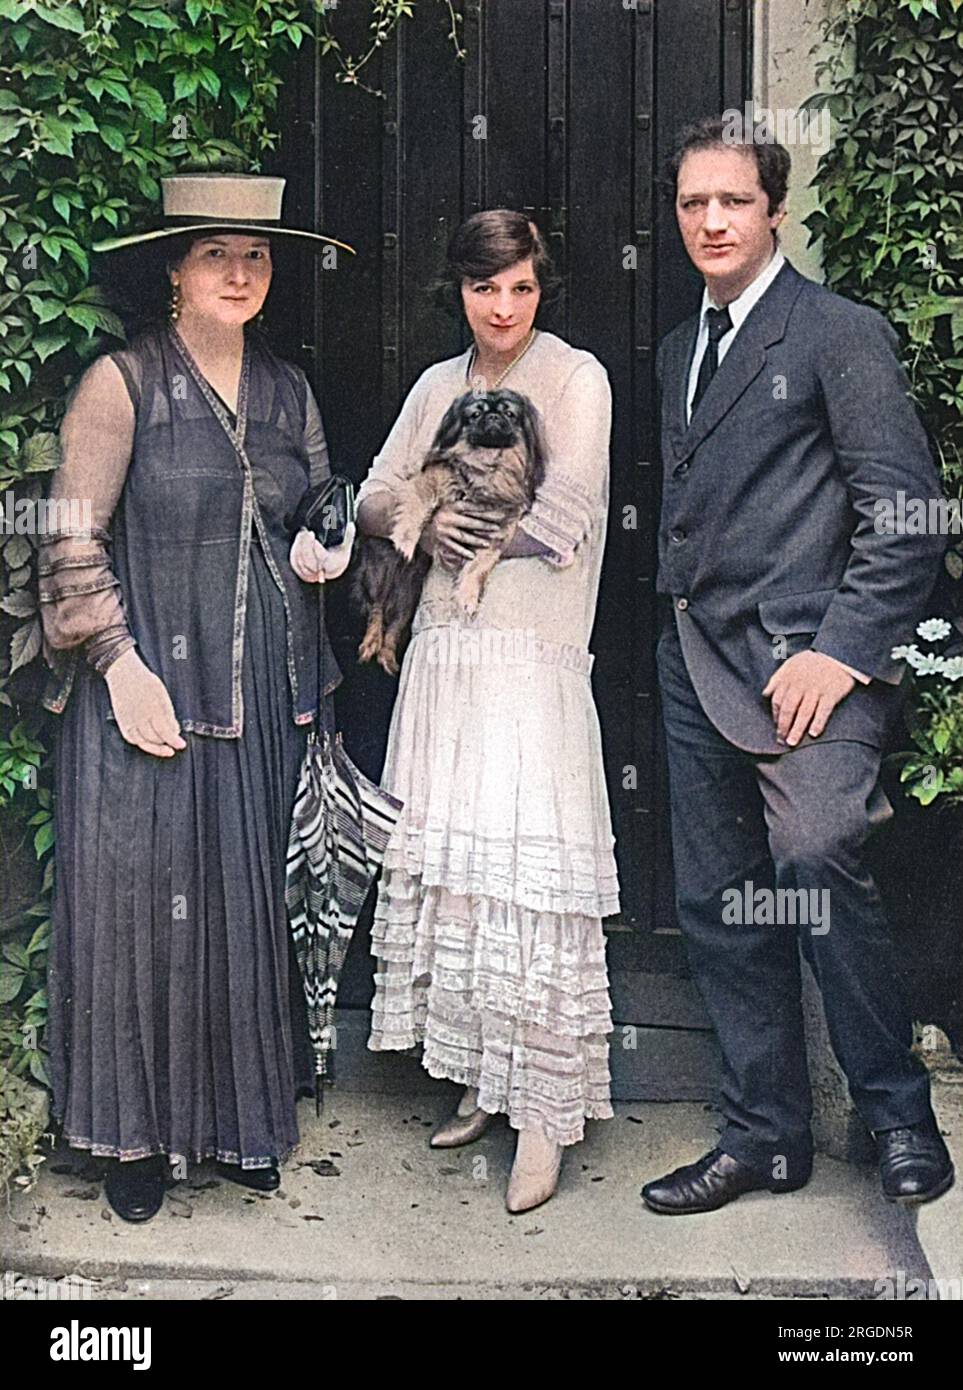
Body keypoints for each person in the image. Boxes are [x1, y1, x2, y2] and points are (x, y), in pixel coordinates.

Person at [641, 119, 953, 1216]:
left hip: (808, 669)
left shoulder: (837, 333)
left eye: (732, 201)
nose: (712, 222)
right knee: (724, 905)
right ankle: (764, 1138)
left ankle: (898, 1115)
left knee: (819, 864)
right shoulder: (683, 348)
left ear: (776, 209)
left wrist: (840, 651)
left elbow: (909, 517)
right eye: (692, 205)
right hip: (696, 660)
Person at [39, 174, 354, 1222]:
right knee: (142, 915)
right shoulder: (120, 384)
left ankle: (236, 1126)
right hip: (144, 690)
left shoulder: (287, 390)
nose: (239, 272)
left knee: (241, 904)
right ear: (173, 269)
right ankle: (132, 1141)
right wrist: (119, 664)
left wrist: (326, 540)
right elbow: (70, 536)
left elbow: (317, 500)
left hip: (261, 688)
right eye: (216, 253)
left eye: (255, 256)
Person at [357, 210, 620, 1213]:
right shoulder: (436, 385)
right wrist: (419, 520)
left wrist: (469, 536)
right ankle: (479, 1072)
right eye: (483, 289)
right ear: (458, 291)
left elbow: (567, 514)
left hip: (530, 660)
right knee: (462, 873)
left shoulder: (575, 376)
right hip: (446, 658)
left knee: (528, 879)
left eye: (519, 288)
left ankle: (546, 1114)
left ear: (541, 288)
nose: (502, 310)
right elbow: (379, 493)